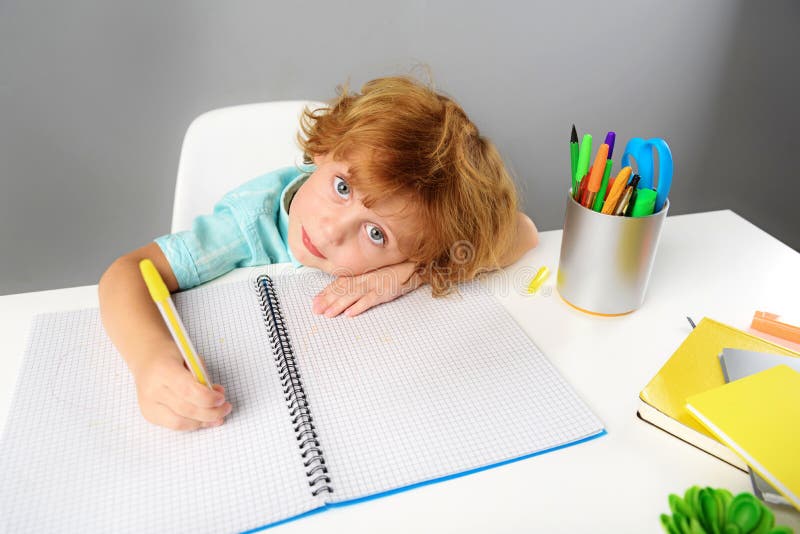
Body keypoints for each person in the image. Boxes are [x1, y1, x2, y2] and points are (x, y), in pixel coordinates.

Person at [98, 75, 539, 431]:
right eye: (342, 188)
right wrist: (151, 361)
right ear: (323, 150)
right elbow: (127, 273)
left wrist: (411, 272)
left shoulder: (410, 252)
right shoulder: (246, 227)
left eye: (375, 234)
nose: (330, 232)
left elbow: (522, 233)